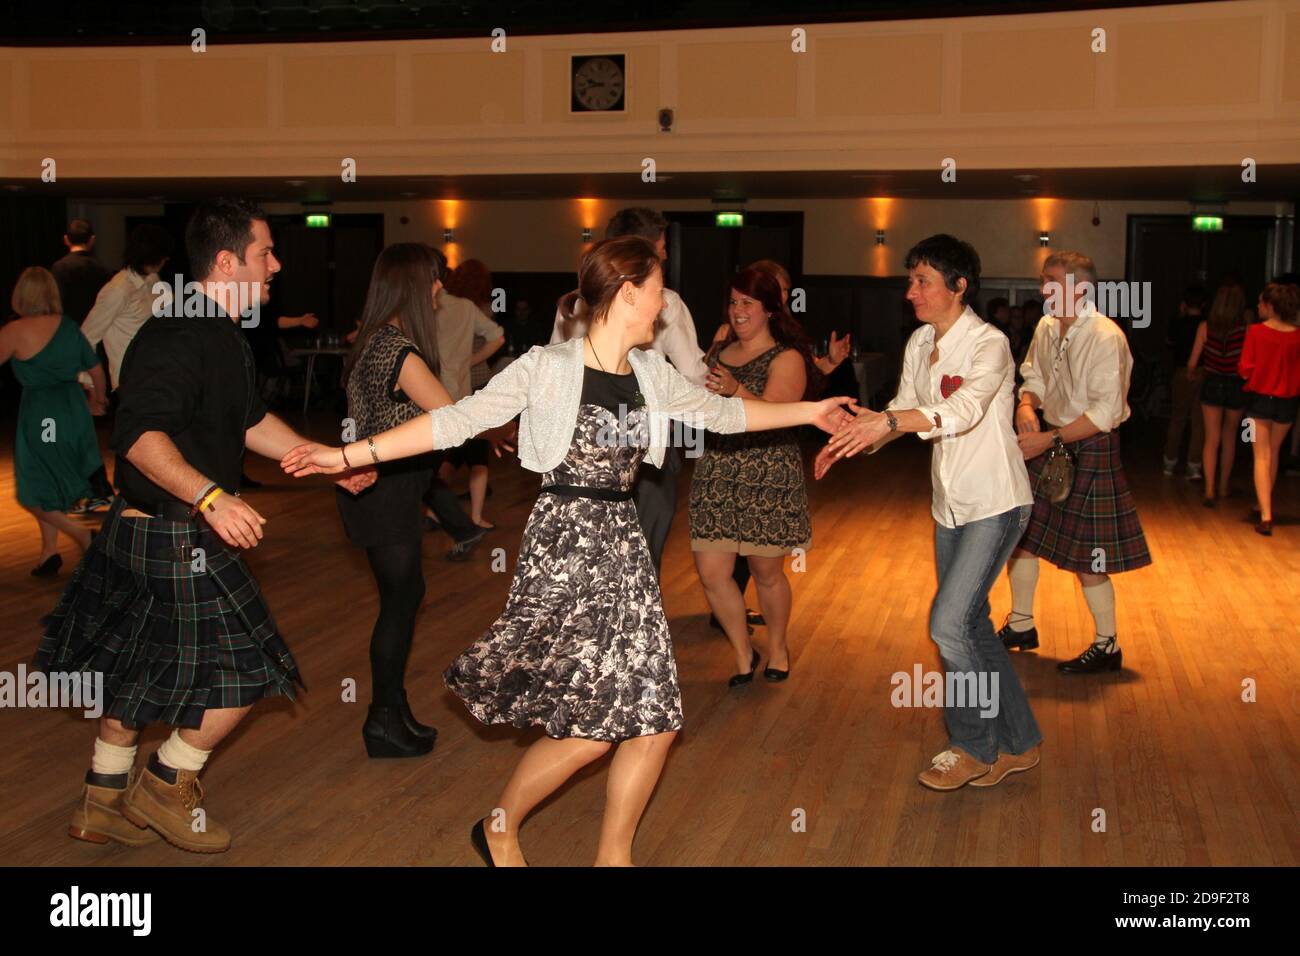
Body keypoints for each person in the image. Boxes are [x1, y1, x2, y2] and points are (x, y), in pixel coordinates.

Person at [281, 236, 852, 866]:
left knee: (656, 720)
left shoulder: (651, 374)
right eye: (658, 291)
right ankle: (498, 827)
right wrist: (344, 454)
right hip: (567, 547)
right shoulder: (548, 367)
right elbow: (452, 422)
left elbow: (726, 416)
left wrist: (812, 410)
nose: (663, 307)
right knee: (590, 735)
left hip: (624, 545)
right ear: (628, 292)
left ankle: (613, 859)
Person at [34, 199, 366, 853]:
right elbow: (138, 437)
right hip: (174, 533)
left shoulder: (216, 333)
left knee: (138, 673)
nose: (276, 266)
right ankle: (166, 780)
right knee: (251, 670)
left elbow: (246, 421)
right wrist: (211, 496)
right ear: (225, 261)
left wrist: (326, 460)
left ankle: (102, 800)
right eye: (265, 253)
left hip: (141, 533)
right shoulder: (180, 335)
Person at [816, 233, 1041, 790]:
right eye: (910, 280)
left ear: (958, 286)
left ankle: (972, 746)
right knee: (973, 627)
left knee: (946, 625)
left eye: (922, 281)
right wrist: (855, 435)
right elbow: (902, 408)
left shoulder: (990, 344)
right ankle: (1022, 741)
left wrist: (889, 424)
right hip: (951, 507)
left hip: (997, 503)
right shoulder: (920, 341)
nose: (910, 291)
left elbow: (960, 411)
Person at [338, 243, 491, 758]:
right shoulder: (398, 352)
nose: (439, 289)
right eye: (432, 280)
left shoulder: (373, 339)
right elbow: (451, 419)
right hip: (385, 491)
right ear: (410, 285)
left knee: (403, 600)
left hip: (383, 486)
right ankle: (382, 719)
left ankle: (392, 709)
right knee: (399, 606)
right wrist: (503, 422)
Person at [999, 251, 1151, 674]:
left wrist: (1049, 437)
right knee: (1023, 535)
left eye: (1051, 280)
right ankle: (1022, 625)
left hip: (1090, 445)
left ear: (1080, 289)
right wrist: (1026, 405)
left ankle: (1107, 646)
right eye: (1043, 279)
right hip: (1050, 440)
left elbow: (1106, 411)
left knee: (1089, 555)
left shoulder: (1106, 337)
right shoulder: (1048, 326)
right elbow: (1035, 376)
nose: (1042, 287)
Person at [551, 207, 710, 575]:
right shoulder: (665, 300)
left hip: (580, 436)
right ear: (646, 247)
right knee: (643, 550)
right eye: (662, 245)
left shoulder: (574, 301)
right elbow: (692, 375)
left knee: (585, 550)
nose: (666, 254)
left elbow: (554, 365)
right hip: (643, 430)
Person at [692, 267, 823, 685]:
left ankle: (779, 647)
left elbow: (778, 412)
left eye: (747, 302)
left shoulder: (786, 357)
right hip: (716, 469)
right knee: (713, 573)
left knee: (766, 573)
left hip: (766, 473)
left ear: (769, 308)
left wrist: (736, 391)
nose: (738, 310)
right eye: (733, 302)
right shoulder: (716, 354)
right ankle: (742, 651)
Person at [0, 267, 108, 575]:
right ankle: (49, 553)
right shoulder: (69, 327)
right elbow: (96, 369)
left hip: (42, 413)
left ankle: (81, 535)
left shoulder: (15, 331)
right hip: (72, 409)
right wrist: (97, 401)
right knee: (48, 483)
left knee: (32, 489)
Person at [440, 257, 506, 529]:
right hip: (475, 382)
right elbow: (497, 338)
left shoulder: (439, 306)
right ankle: (476, 515)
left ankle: (436, 510)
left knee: (449, 451)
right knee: (478, 452)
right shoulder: (479, 309)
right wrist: (474, 359)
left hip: (445, 383)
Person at [1238, 282, 1300, 535]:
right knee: (1273, 453)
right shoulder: (1297, 336)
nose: (1257, 306)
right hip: (1288, 401)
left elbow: (1245, 368)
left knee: (1260, 456)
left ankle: (1265, 515)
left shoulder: (1255, 332)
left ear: (1270, 305)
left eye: (1261, 302)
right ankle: (1265, 504)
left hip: (1259, 400)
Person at [1188, 278, 1249, 507]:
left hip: (1212, 381)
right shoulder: (1246, 329)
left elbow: (1192, 363)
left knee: (1211, 439)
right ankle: (1224, 485)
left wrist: (1195, 373)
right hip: (1236, 383)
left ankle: (1210, 489)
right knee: (1229, 437)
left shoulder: (1205, 327)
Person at [1162, 284, 1207, 480]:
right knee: (1199, 421)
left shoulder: (1178, 323)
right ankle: (1194, 465)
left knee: (1177, 418)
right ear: (1204, 304)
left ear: (1184, 303)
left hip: (1181, 371)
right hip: (1203, 372)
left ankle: (1169, 462)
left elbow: (1169, 342)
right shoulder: (1206, 324)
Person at [50, 218, 111, 328]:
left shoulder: (60, 267)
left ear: (66, 239)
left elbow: (56, 304)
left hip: (68, 328)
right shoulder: (102, 269)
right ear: (92, 240)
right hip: (96, 328)